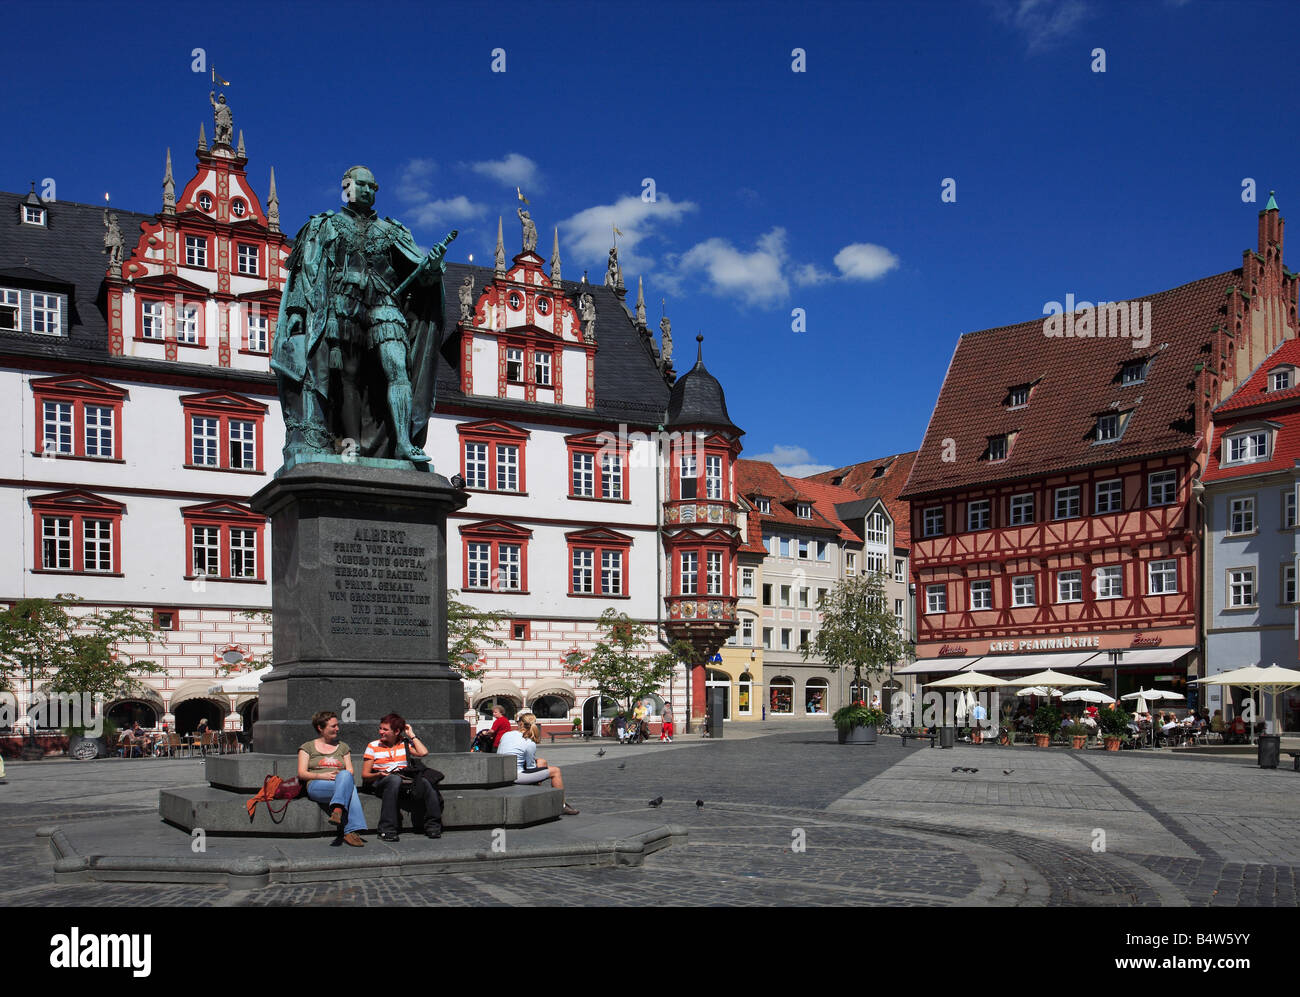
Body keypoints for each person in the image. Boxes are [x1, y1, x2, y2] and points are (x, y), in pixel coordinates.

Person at [271, 165, 453, 465]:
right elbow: (307, 271)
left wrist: (432, 268)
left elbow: (422, 280)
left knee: (398, 368)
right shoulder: (325, 226)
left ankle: (404, 444)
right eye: (362, 185)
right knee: (348, 380)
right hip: (341, 306)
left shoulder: (392, 231)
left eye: (373, 187)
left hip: (384, 306)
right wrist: (296, 311)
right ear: (347, 187)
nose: (368, 191)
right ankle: (349, 449)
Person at [362, 712, 442, 842]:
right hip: (381, 782)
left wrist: (412, 735)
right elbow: (365, 775)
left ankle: (433, 826)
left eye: (385, 729)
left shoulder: (404, 744)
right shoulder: (373, 746)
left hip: (403, 781)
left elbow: (423, 752)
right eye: (380, 728)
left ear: (397, 731)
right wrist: (379, 774)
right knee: (393, 779)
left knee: (426, 782)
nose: (381, 732)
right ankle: (386, 829)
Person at [297, 710, 366, 847]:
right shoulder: (307, 747)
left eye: (337, 725)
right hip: (317, 785)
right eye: (333, 726)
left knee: (346, 776)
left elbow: (350, 770)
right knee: (350, 789)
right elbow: (302, 773)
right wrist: (322, 776)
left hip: (340, 783)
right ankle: (351, 830)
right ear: (320, 728)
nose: (337, 729)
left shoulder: (343, 747)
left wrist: (339, 778)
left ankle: (338, 809)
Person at [497, 712, 578, 815]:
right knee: (555, 771)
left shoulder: (507, 734)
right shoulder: (529, 743)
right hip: (515, 775)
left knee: (541, 762)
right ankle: (561, 805)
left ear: (520, 723)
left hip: (500, 771)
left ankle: (536, 795)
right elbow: (530, 767)